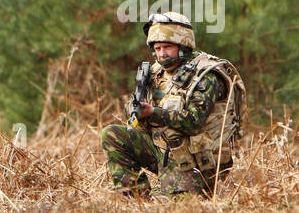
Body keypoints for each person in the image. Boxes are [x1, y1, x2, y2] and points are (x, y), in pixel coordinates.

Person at [101, 12, 246, 196]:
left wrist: (153, 112)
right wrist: (132, 108)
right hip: (165, 152)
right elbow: (133, 104)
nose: (162, 54)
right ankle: (137, 199)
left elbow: (194, 122)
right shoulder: (155, 72)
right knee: (112, 135)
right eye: (158, 48)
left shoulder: (206, 76)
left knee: (171, 208)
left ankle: (163, 195)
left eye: (167, 47)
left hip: (197, 163)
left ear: (183, 45)